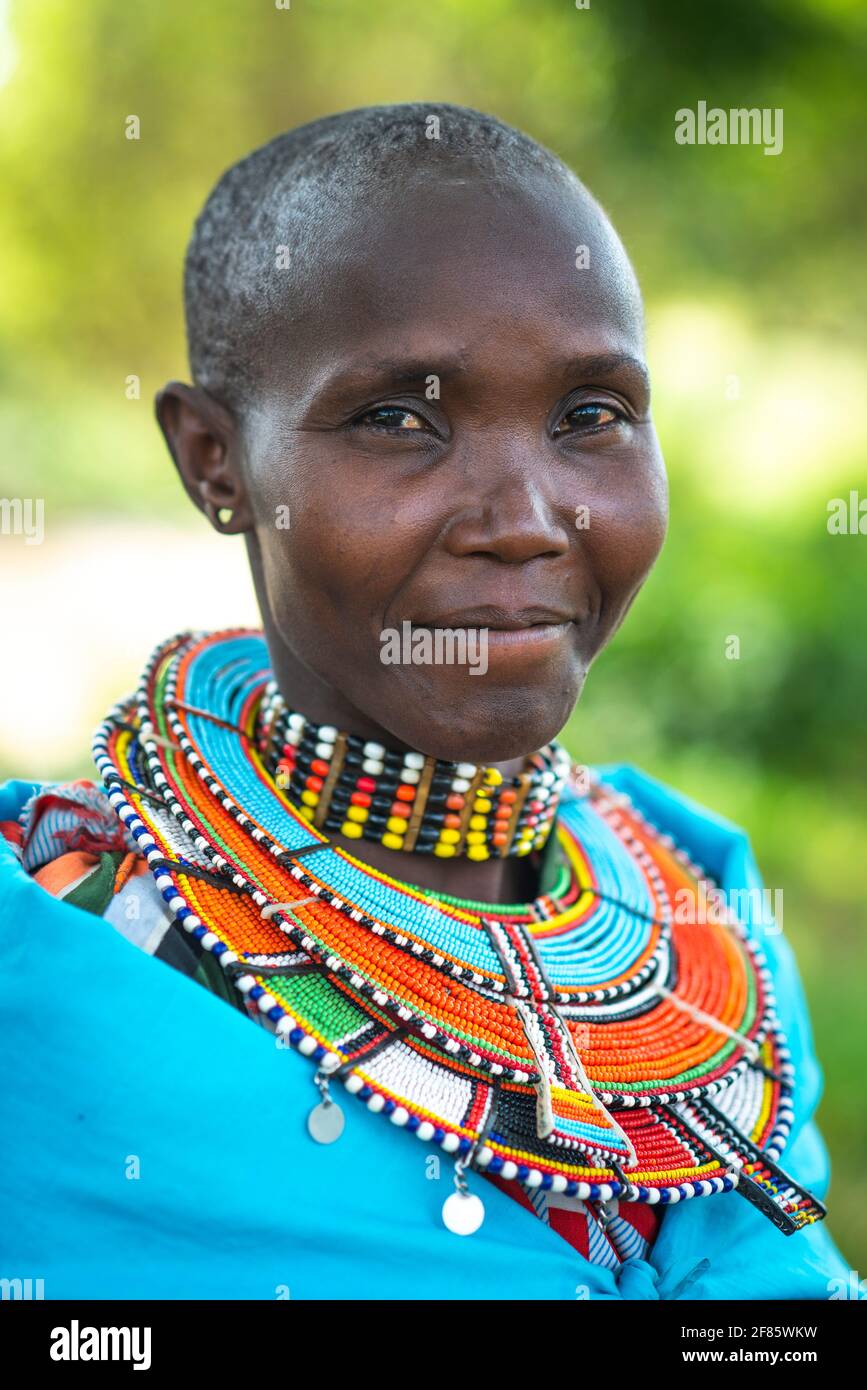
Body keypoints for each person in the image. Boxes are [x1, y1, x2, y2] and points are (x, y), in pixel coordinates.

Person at [0, 104, 850, 1300]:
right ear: (215, 461)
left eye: (590, 417)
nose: (522, 519)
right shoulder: (57, 964)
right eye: (400, 418)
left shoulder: (711, 941)